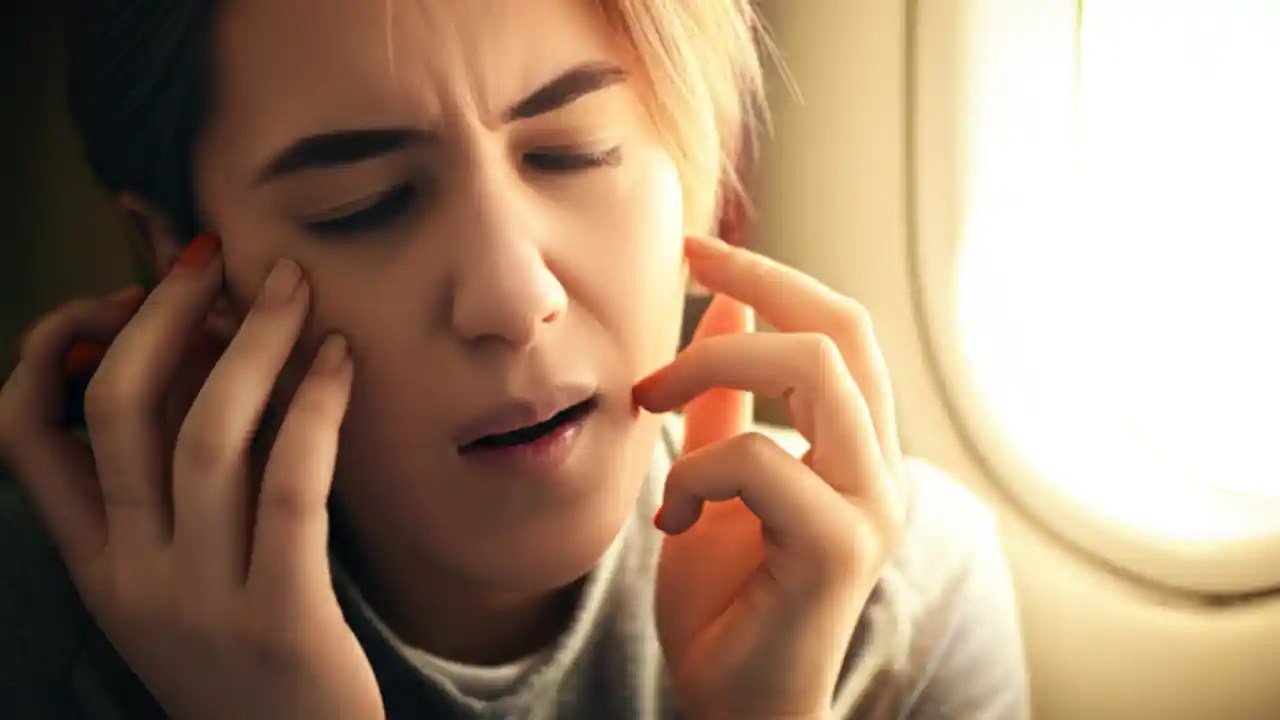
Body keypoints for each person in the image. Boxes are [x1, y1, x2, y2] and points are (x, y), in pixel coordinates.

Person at [0, 1, 1029, 718]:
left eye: (572, 152)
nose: (511, 296)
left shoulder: (903, 600)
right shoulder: (45, 624)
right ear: (180, 257)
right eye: (364, 206)